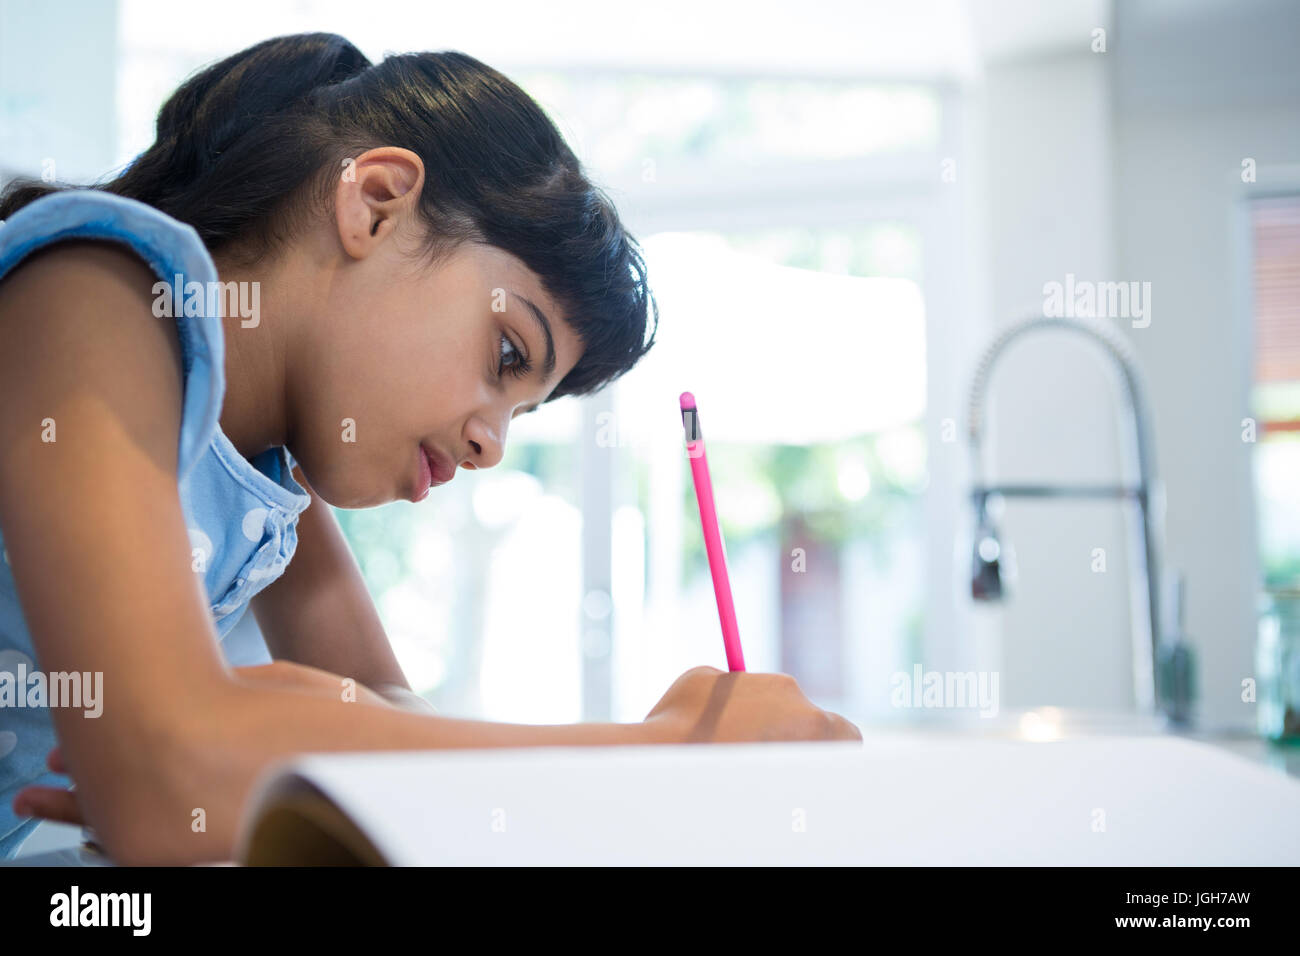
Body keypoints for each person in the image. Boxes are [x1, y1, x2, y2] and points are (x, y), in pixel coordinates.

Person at [0, 32, 860, 865]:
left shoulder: (269, 481)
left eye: (521, 414)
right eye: (507, 356)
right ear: (374, 203)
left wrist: (308, 717)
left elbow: (391, 715)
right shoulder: (91, 295)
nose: (490, 445)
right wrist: (665, 753)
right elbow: (164, 779)